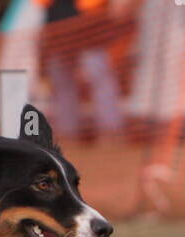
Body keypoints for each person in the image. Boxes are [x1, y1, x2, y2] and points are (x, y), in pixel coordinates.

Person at [34, 0, 132, 142]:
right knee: (62, 81)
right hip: (58, 24)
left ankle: (111, 130)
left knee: (99, 77)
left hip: (89, 24)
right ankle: (68, 131)